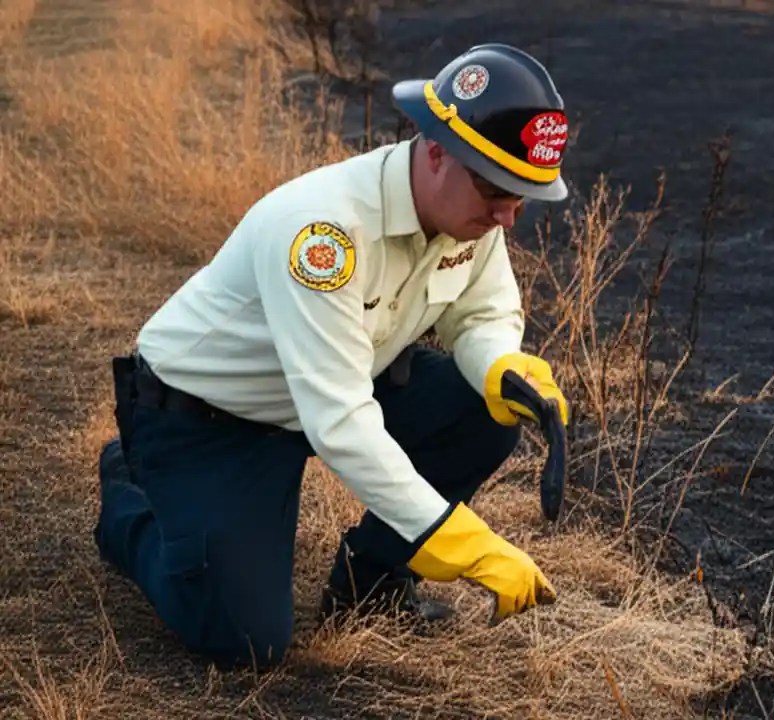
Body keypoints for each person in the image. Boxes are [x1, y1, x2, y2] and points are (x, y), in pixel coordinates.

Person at [93, 43, 573, 669]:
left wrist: (499, 365)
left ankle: (370, 586)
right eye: (496, 189)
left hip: (327, 389)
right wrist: (463, 545)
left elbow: (480, 314)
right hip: (205, 419)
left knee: (485, 410)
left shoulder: (471, 216)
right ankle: (129, 497)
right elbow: (341, 421)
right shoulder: (323, 234)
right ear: (435, 150)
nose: (509, 214)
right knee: (245, 640)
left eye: (522, 194)